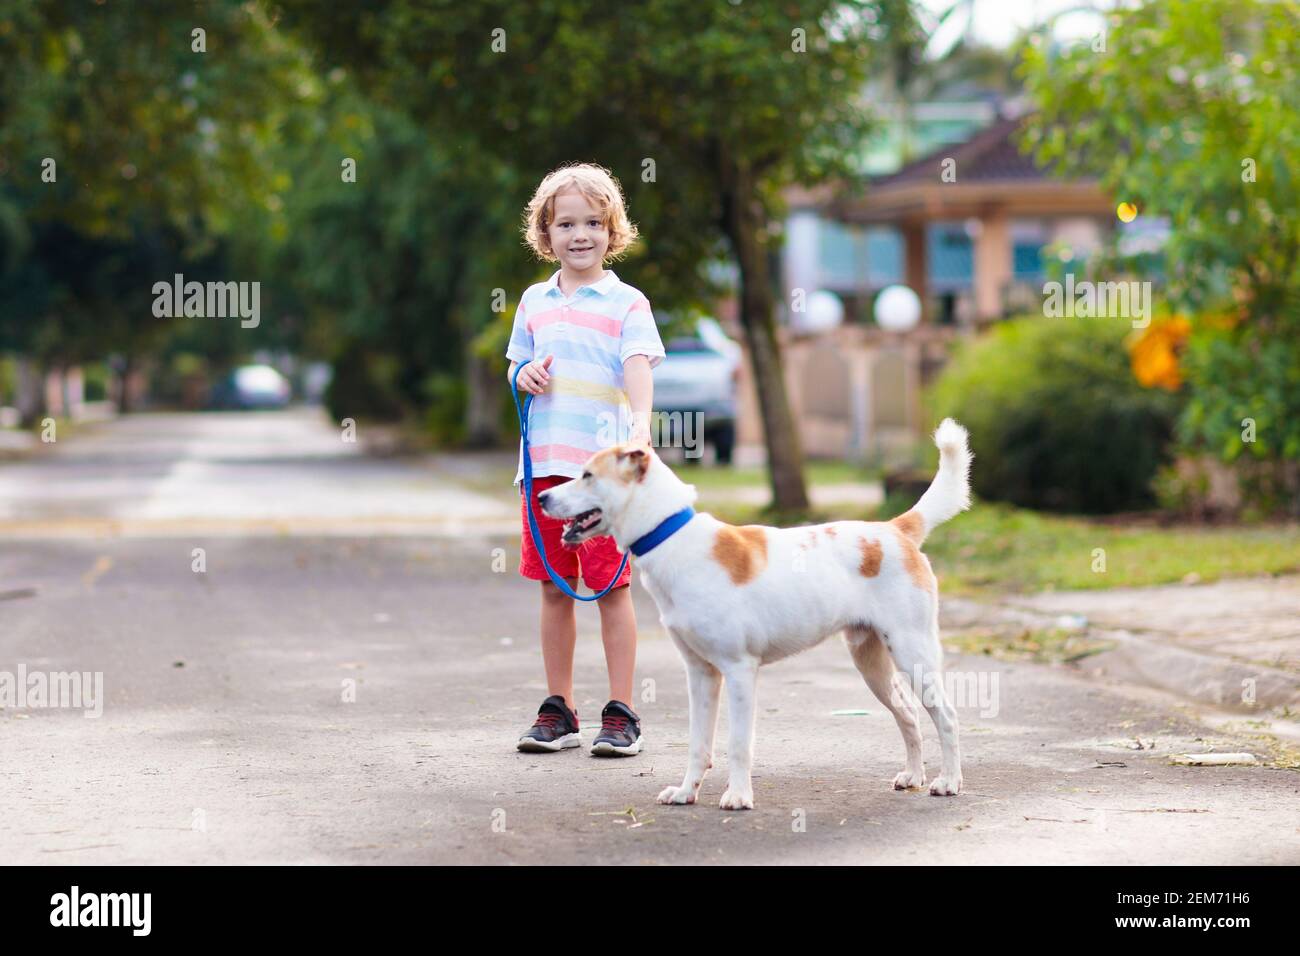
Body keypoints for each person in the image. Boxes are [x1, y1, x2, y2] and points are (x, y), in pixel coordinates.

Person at [506, 163, 665, 757]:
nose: (580, 234)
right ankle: (559, 709)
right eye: (566, 223)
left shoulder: (627, 301)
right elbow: (516, 368)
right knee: (554, 588)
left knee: (610, 589)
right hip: (543, 468)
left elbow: (637, 365)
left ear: (612, 230)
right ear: (545, 234)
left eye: (594, 223)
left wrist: (640, 426)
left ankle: (621, 712)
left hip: (599, 478)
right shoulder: (533, 301)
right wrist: (523, 373)